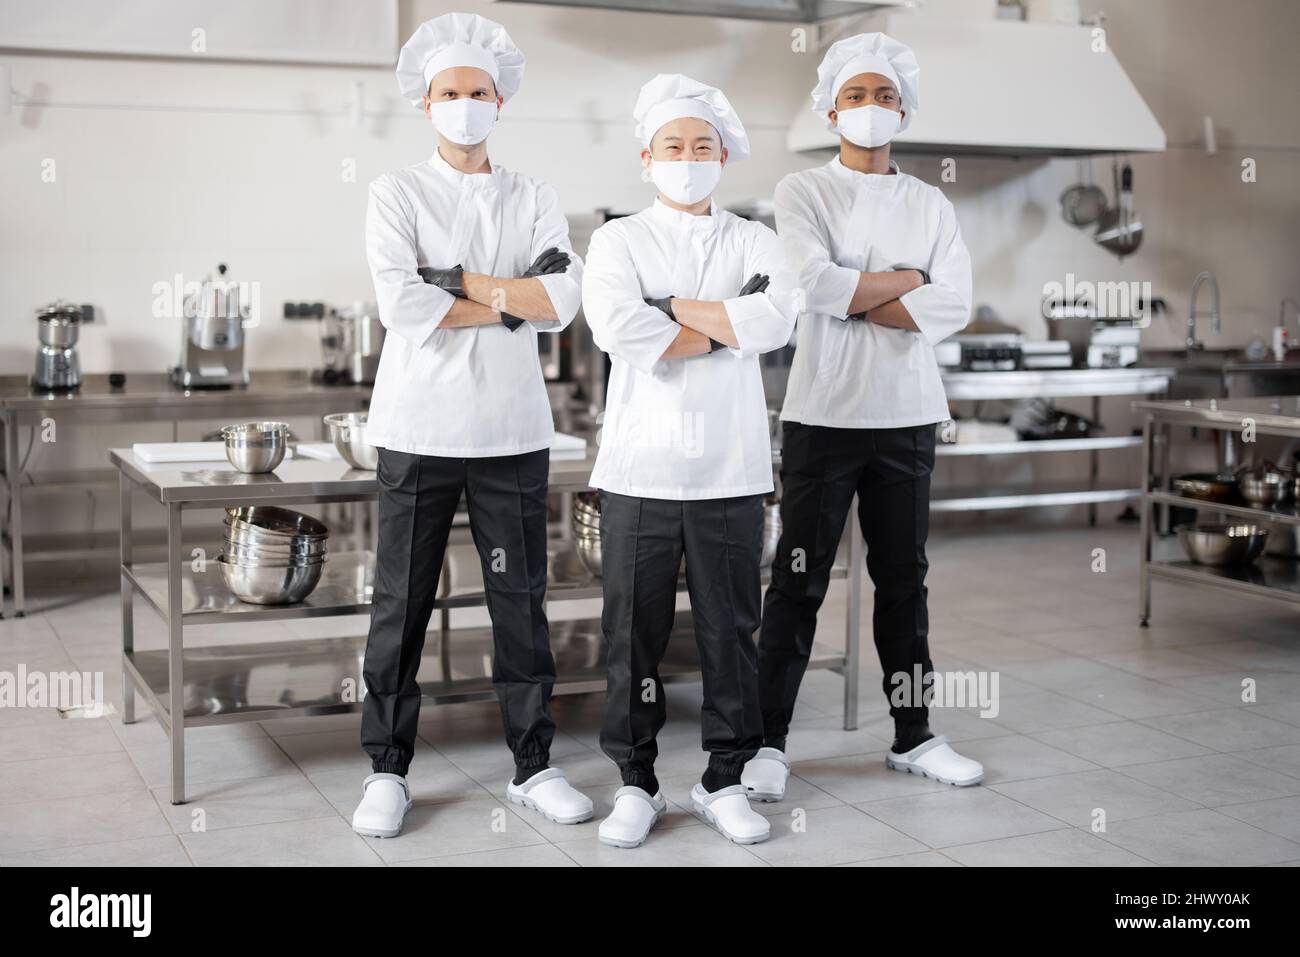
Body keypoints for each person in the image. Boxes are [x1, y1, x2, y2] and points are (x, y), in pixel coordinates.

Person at [352, 12, 592, 839]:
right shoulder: (395, 192)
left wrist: (454, 281)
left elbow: (562, 300)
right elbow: (401, 304)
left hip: (512, 430)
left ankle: (535, 763)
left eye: (477, 92)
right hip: (417, 428)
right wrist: (507, 296)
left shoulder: (534, 195)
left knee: (519, 601)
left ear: (501, 102)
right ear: (426, 104)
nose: (464, 105)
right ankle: (388, 767)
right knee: (401, 602)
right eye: (449, 93)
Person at [743, 32, 985, 803]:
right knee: (798, 582)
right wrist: (907, 282)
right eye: (856, 95)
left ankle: (915, 734)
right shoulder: (801, 192)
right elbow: (811, 285)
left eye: (884, 96)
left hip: (909, 416)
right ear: (830, 107)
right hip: (823, 416)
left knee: (904, 581)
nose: (871, 108)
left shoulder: (930, 201)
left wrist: (863, 291)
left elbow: (955, 305)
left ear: (904, 110)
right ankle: (767, 742)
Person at [582, 74, 798, 848]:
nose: (687, 157)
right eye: (673, 145)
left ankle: (723, 778)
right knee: (630, 635)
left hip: (732, 472)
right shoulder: (616, 241)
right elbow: (617, 326)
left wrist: (667, 305)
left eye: (702, 146)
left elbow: (774, 320)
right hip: (640, 471)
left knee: (731, 632)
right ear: (647, 156)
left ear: (723, 156)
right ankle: (635, 782)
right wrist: (719, 322)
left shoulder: (755, 239)